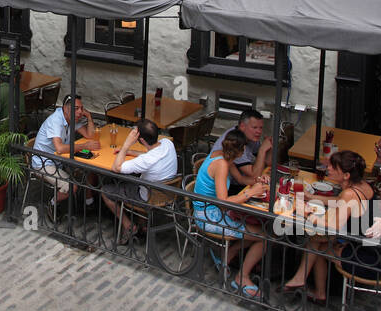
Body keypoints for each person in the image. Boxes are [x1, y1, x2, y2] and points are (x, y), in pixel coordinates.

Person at [283, 149, 375, 303]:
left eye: (333, 167)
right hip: (366, 242)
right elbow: (338, 201)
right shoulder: (362, 185)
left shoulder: (350, 194)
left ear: (346, 175)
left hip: (363, 256)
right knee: (318, 239)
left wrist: (307, 214)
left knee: (318, 239)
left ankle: (302, 279)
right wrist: (312, 197)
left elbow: (333, 227)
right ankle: (313, 288)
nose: (328, 168)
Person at [192, 132, 268, 295]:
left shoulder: (223, 157)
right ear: (240, 152)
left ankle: (225, 258)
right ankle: (242, 278)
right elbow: (223, 201)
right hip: (209, 216)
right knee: (265, 237)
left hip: (215, 210)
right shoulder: (222, 165)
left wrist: (258, 183)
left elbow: (241, 180)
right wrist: (250, 193)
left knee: (261, 228)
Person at [98, 118, 180, 244]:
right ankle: (143, 222)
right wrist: (131, 152)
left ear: (141, 140)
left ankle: (129, 226)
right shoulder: (167, 143)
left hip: (148, 198)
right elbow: (151, 155)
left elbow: (116, 168)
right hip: (167, 194)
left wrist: (126, 146)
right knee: (136, 180)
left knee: (105, 190)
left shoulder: (146, 161)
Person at [31, 94, 99, 204]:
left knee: (91, 169)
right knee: (71, 186)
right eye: (76, 109)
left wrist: (89, 116)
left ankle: (88, 201)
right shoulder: (56, 121)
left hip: (60, 160)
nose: (80, 112)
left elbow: (90, 135)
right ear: (65, 109)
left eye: (81, 108)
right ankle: (52, 204)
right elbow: (60, 148)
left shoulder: (72, 118)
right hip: (44, 162)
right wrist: (84, 146)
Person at [210, 109, 273, 191]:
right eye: (254, 127)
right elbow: (254, 174)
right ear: (242, 126)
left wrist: (271, 146)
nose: (259, 131)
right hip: (228, 188)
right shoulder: (234, 143)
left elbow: (268, 163)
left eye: (261, 128)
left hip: (238, 183)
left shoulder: (250, 136)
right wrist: (262, 150)